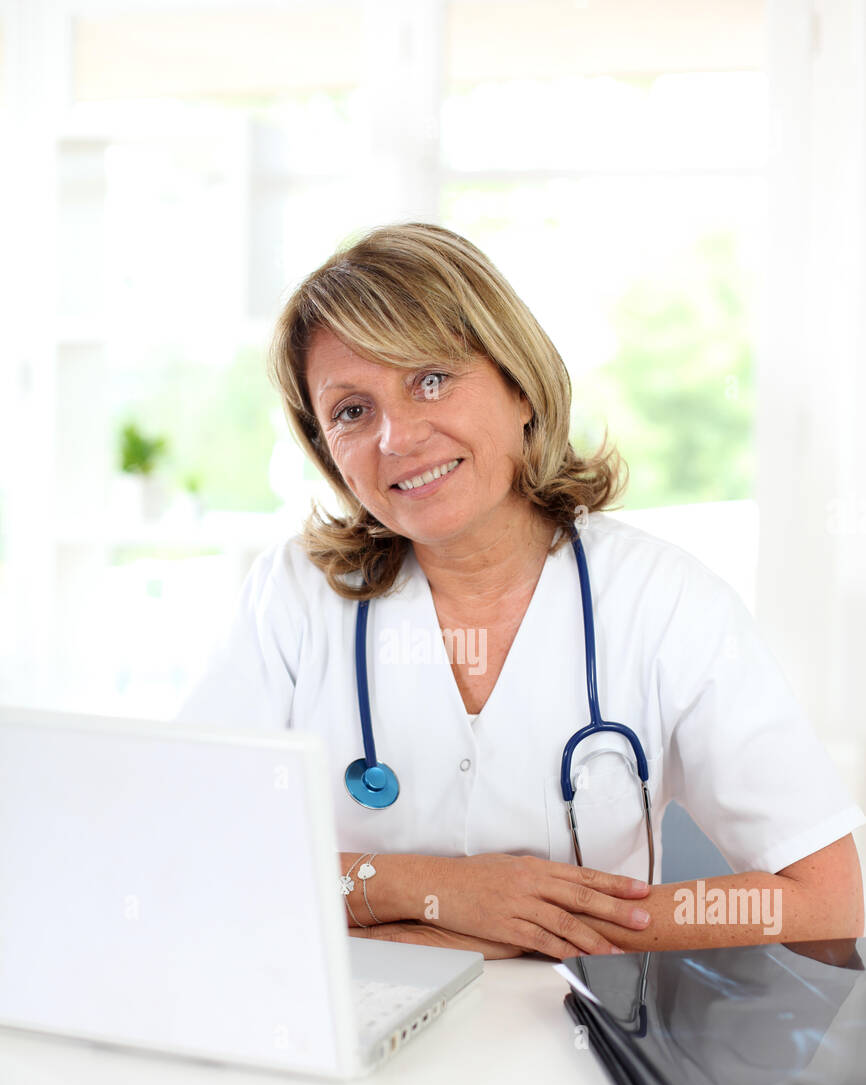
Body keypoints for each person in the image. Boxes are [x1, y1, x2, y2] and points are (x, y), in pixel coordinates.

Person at [176, 221, 864, 961]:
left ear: (520, 388)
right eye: (351, 411)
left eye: (429, 380)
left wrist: (513, 928)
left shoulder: (665, 602)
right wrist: (431, 891)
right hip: (351, 1041)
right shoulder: (292, 598)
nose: (396, 438)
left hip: (587, 1046)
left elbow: (827, 896)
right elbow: (191, 858)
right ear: (327, 451)